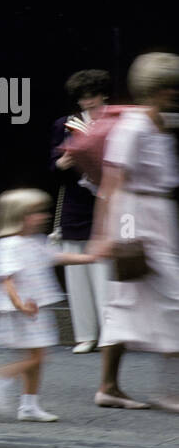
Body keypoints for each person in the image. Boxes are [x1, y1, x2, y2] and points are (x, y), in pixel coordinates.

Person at [86, 52, 179, 412]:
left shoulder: (161, 121)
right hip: (136, 217)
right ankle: (169, 391)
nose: (172, 92)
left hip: (157, 214)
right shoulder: (135, 127)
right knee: (172, 300)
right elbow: (112, 181)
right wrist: (104, 233)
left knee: (125, 304)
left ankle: (108, 387)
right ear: (151, 90)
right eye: (165, 87)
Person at [0, 189, 96, 422]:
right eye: (35, 212)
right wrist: (20, 305)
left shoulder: (36, 241)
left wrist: (90, 258)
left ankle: (28, 405)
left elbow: (58, 257)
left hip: (36, 307)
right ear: (17, 216)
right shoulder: (8, 245)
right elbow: (7, 279)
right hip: (22, 311)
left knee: (38, 356)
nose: (42, 216)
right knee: (36, 358)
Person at [51, 69, 114, 353]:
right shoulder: (66, 125)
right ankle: (85, 334)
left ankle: (109, 334)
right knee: (77, 276)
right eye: (83, 98)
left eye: (93, 96)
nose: (88, 103)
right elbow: (52, 164)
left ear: (104, 95)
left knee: (104, 274)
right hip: (76, 204)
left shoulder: (117, 122)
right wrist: (62, 163)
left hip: (107, 203)